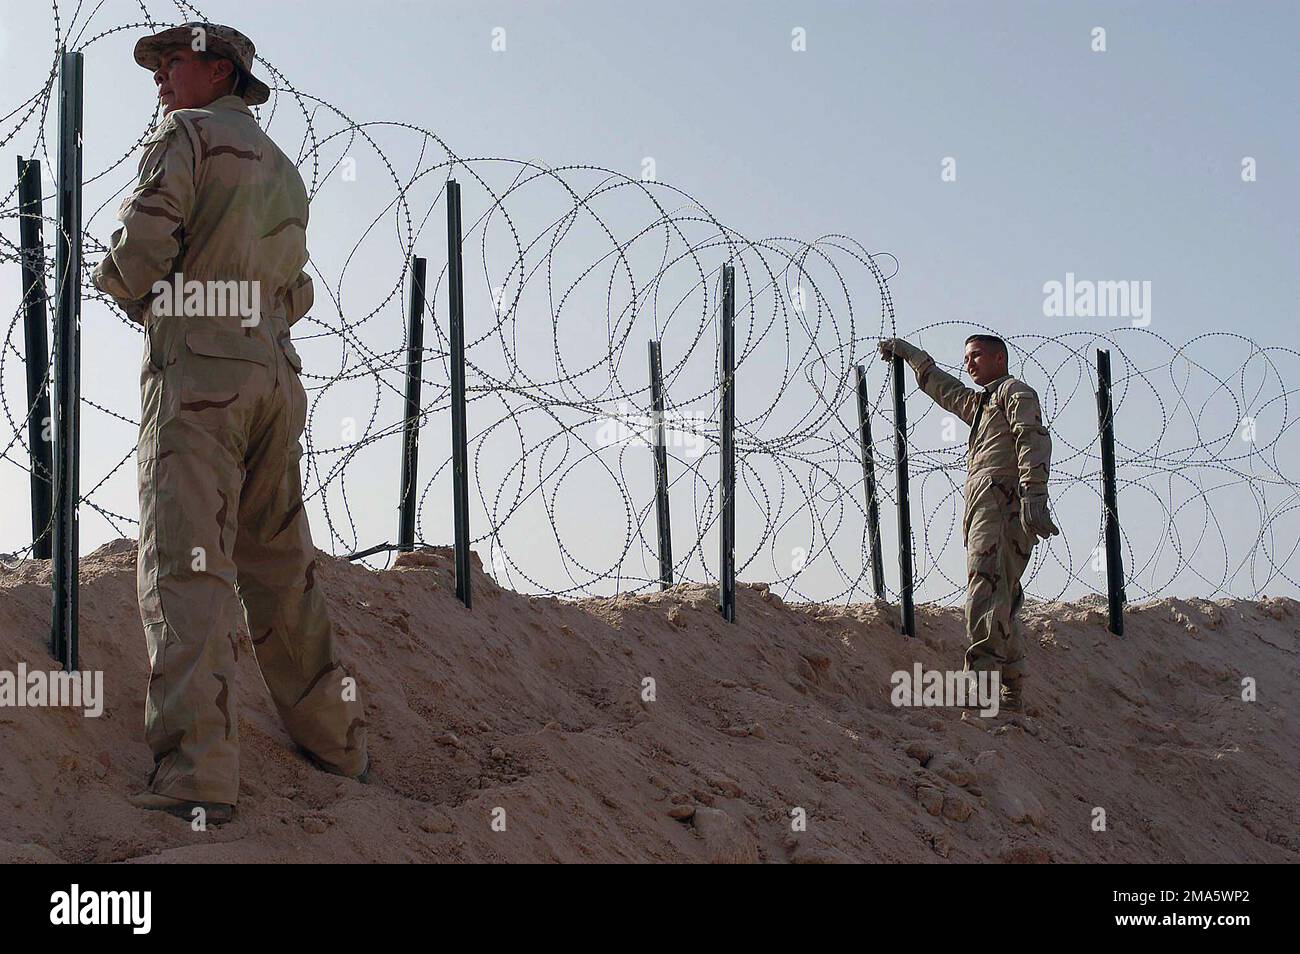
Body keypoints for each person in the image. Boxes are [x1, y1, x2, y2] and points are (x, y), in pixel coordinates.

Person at [92, 22, 368, 824]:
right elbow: (297, 285)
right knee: (282, 568)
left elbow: (148, 236)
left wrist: (122, 284)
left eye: (172, 62)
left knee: (188, 568)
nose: (159, 79)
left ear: (219, 70)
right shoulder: (282, 166)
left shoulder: (186, 135)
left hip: (203, 379)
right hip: (275, 379)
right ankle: (338, 742)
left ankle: (197, 776)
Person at [879, 334, 1059, 711]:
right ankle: (1010, 688)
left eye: (976, 355)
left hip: (1003, 508)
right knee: (1001, 596)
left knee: (984, 592)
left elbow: (1033, 438)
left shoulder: (1015, 393)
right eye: (966, 357)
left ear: (999, 357)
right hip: (985, 507)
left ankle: (981, 694)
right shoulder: (982, 403)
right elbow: (944, 388)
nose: (970, 363)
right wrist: (910, 355)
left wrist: (1034, 493)